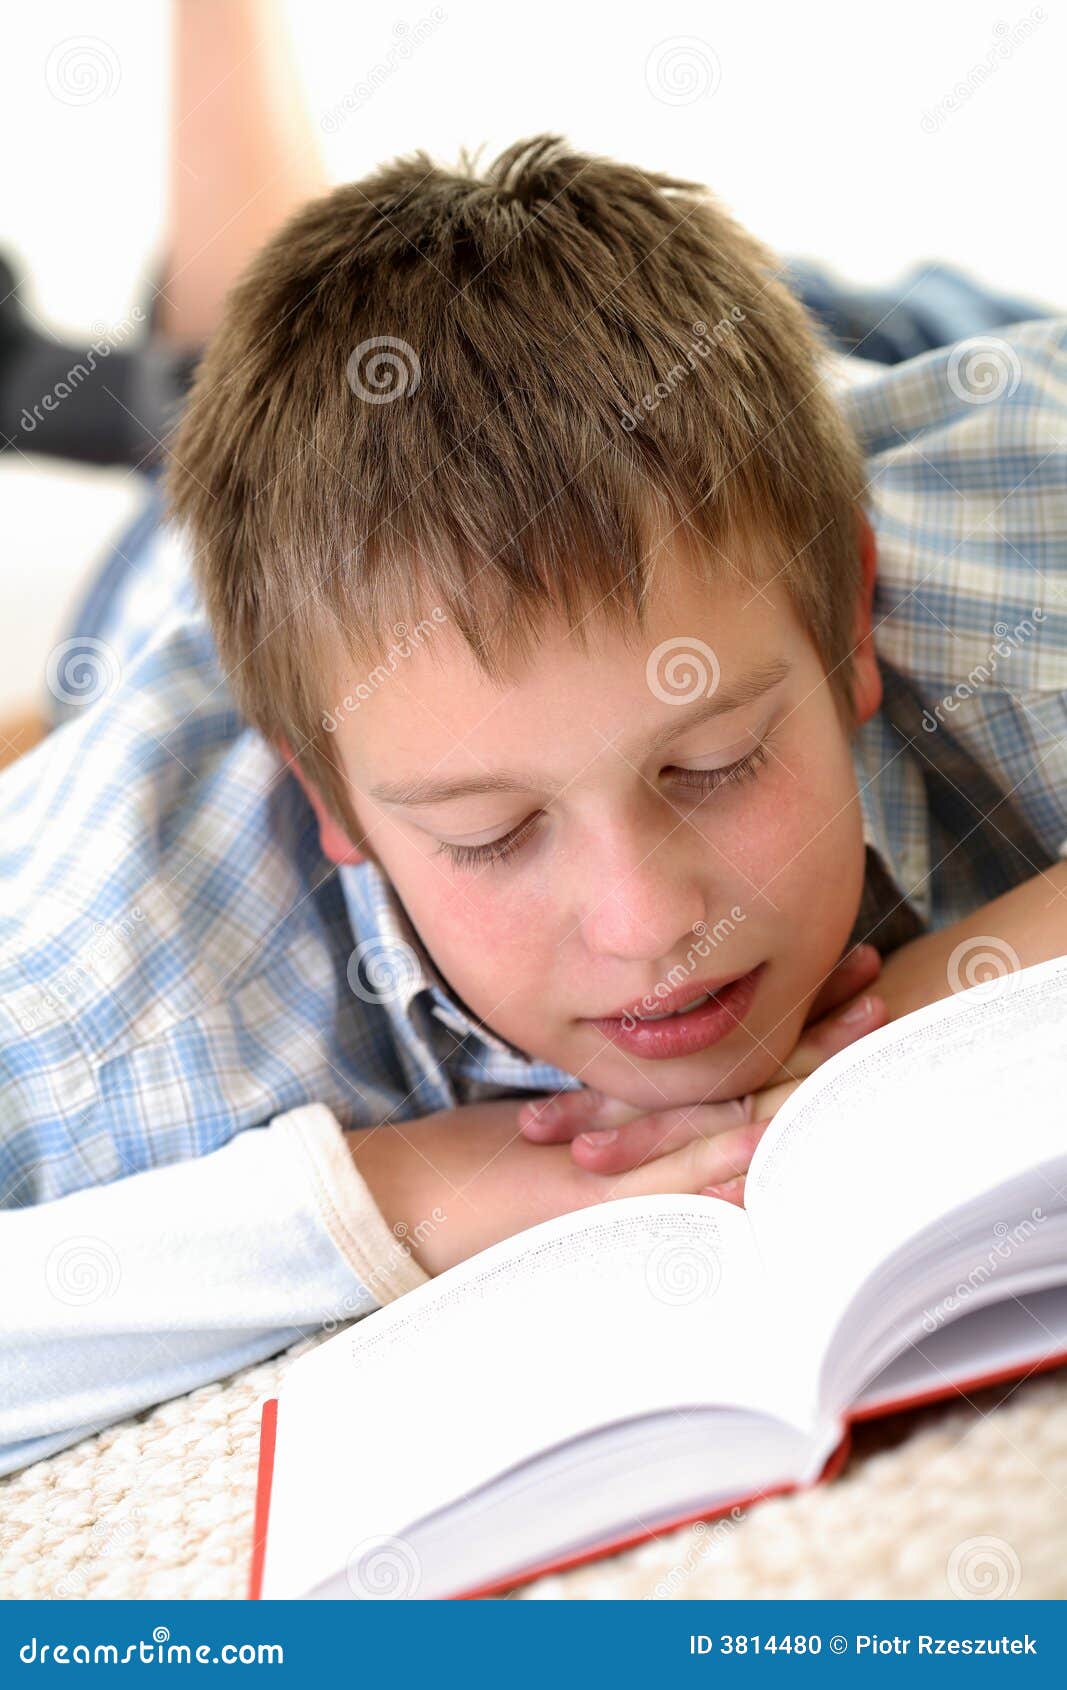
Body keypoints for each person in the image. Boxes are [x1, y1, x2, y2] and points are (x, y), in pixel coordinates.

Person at [2, 127, 1065, 1476]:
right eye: (488, 834)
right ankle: (98, 382)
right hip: (159, 603)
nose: (647, 925)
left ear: (849, 624)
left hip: (873, 351)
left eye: (713, 761)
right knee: (206, 412)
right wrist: (401, 1196)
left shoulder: (1012, 532)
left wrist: (931, 1019)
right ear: (331, 797)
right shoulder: (112, 974)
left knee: (880, 315)